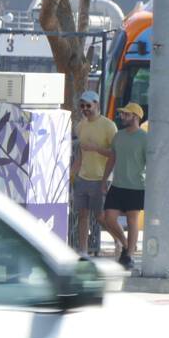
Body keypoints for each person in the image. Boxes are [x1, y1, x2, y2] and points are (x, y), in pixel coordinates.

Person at [70, 90, 116, 256]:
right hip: (83, 177)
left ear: (97, 104)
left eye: (88, 105)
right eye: (82, 106)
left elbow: (115, 153)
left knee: (101, 217)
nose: (85, 109)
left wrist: (96, 149)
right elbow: (80, 155)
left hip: (100, 177)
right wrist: (71, 175)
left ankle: (118, 241)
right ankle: (83, 251)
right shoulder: (80, 126)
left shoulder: (109, 126)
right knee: (82, 215)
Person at [102, 102, 148, 270]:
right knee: (108, 218)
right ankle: (127, 244)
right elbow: (112, 158)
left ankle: (128, 256)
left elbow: (150, 163)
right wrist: (104, 180)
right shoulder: (118, 136)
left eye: (126, 114)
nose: (122, 117)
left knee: (132, 221)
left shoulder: (144, 138)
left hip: (136, 186)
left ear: (135, 117)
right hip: (117, 184)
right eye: (122, 114)